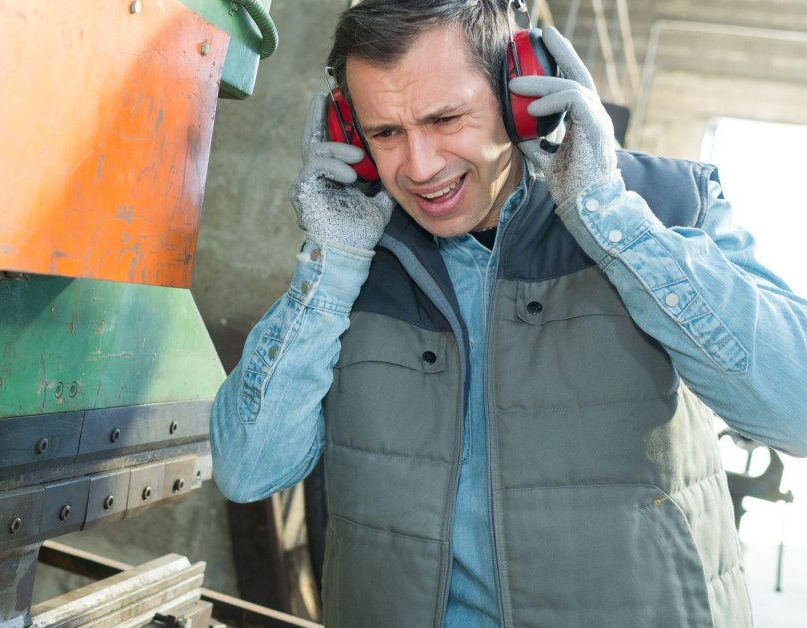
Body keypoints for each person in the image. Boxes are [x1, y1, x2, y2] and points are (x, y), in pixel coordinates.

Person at [208, 1, 807, 626]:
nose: (420, 167)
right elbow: (249, 470)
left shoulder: (671, 204)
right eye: (385, 132)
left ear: (523, 96)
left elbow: (797, 411)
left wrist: (612, 222)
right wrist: (331, 264)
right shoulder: (355, 258)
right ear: (351, 135)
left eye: (446, 118)